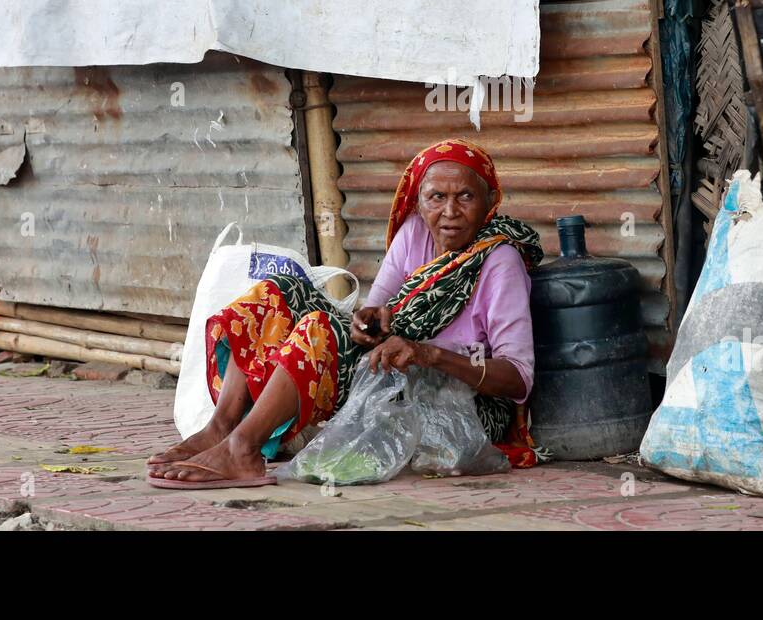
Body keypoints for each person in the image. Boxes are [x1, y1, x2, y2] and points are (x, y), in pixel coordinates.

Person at [147, 138, 543, 488]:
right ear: (418, 202)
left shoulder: (499, 260)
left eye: (466, 197)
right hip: (388, 370)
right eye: (436, 197)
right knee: (278, 293)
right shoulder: (415, 233)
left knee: (319, 330)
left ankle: (243, 450)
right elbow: (378, 308)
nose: (450, 211)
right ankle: (221, 427)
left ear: (490, 201)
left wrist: (428, 354)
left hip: (461, 406)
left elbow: (518, 378)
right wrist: (366, 322)